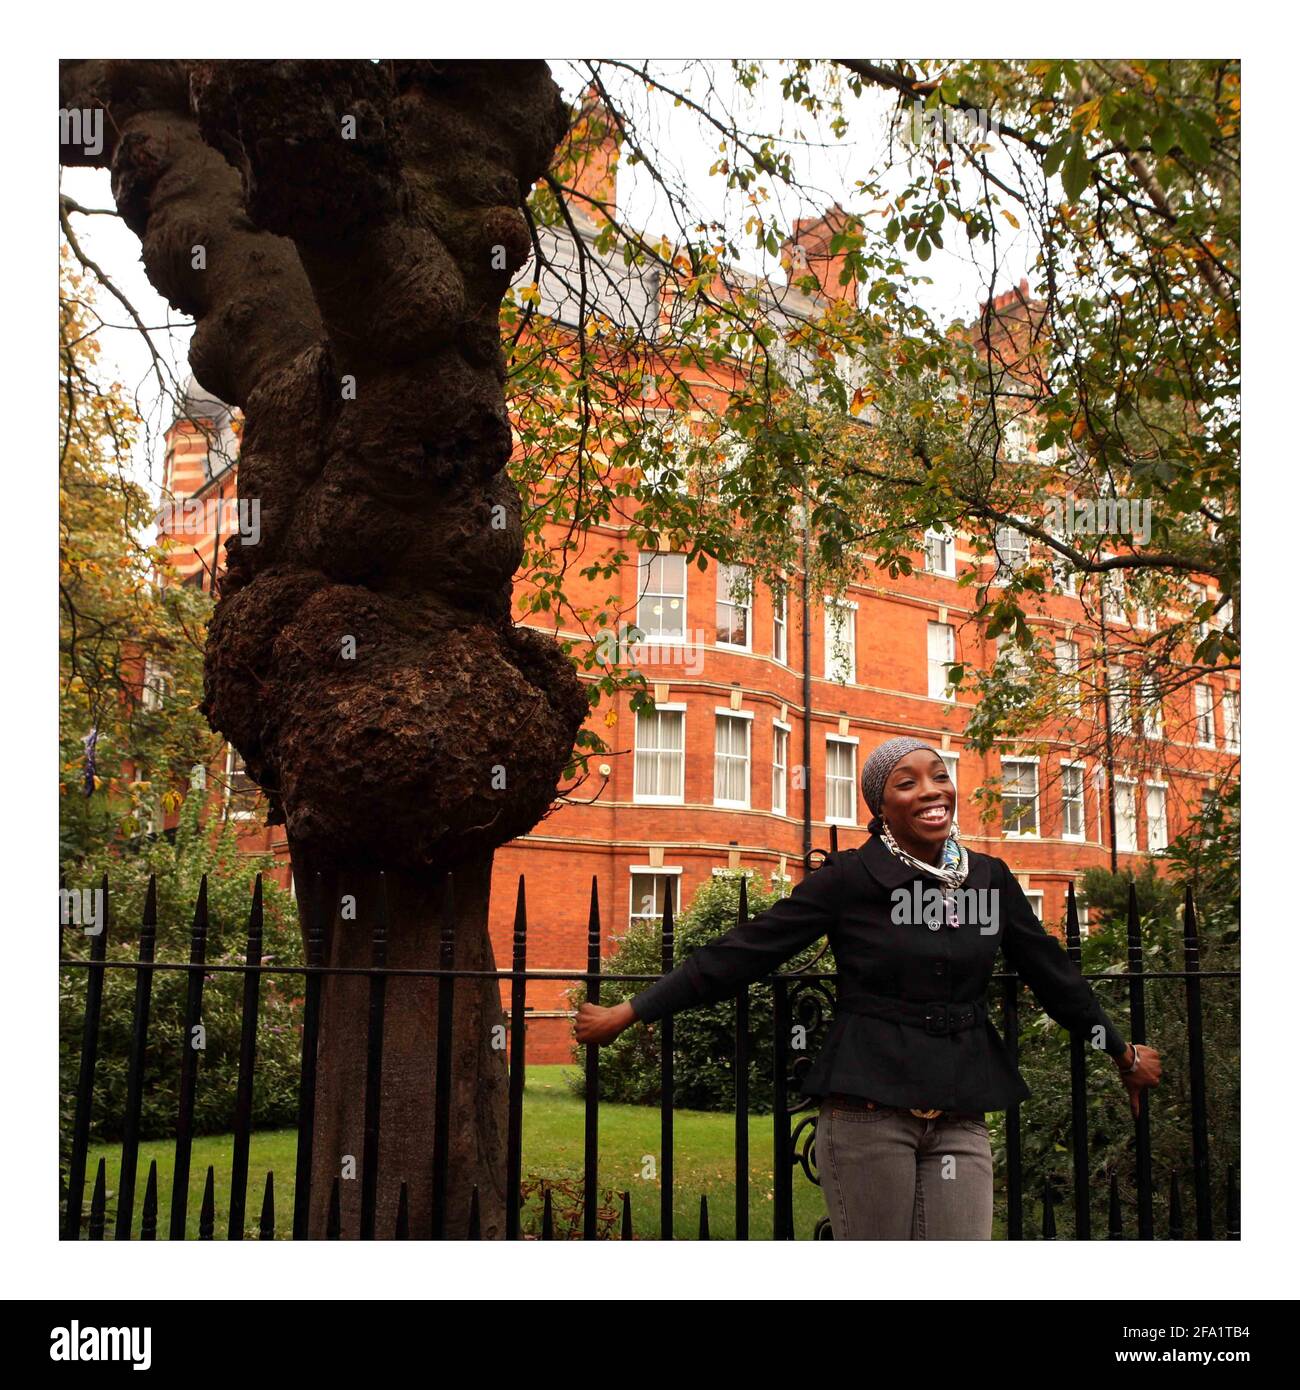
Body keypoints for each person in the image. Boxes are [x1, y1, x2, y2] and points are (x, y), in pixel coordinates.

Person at [575, 735, 1163, 1239]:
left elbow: (1054, 976)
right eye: (907, 783)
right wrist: (633, 1010)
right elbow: (746, 952)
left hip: (960, 1114)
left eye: (939, 776)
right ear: (881, 807)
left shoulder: (990, 880)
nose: (931, 791)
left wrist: (1119, 1050)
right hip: (868, 1116)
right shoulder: (851, 880)